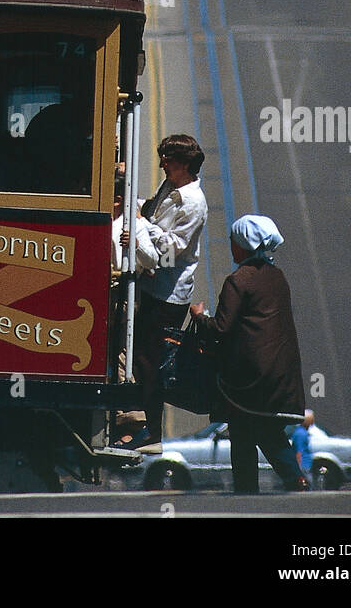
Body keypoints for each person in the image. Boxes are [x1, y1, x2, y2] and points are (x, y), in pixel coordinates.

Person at [191, 215, 308, 493]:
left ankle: (274, 482)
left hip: (248, 375)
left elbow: (220, 328)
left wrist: (199, 317)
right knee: (252, 428)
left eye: (233, 241)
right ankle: (276, 482)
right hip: (279, 371)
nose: (231, 246)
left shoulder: (238, 280)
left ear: (242, 245)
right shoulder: (277, 277)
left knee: (253, 429)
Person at [125, 134, 208, 448]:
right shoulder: (170, 188)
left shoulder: (192, 203)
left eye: (168, 161)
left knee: (152, 362)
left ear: (185, 165)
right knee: (141, 358)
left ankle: (152, 431)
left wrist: (140, 226)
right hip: (152, 283)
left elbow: (171, 249)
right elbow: (149, 214)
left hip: (168, 293)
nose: (162, 165)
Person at [292, 409, 315, 477]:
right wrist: (299, 467)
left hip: (305, 464)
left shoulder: (301, 431)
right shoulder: (301, 433)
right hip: (303, 466)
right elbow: (299, 451)